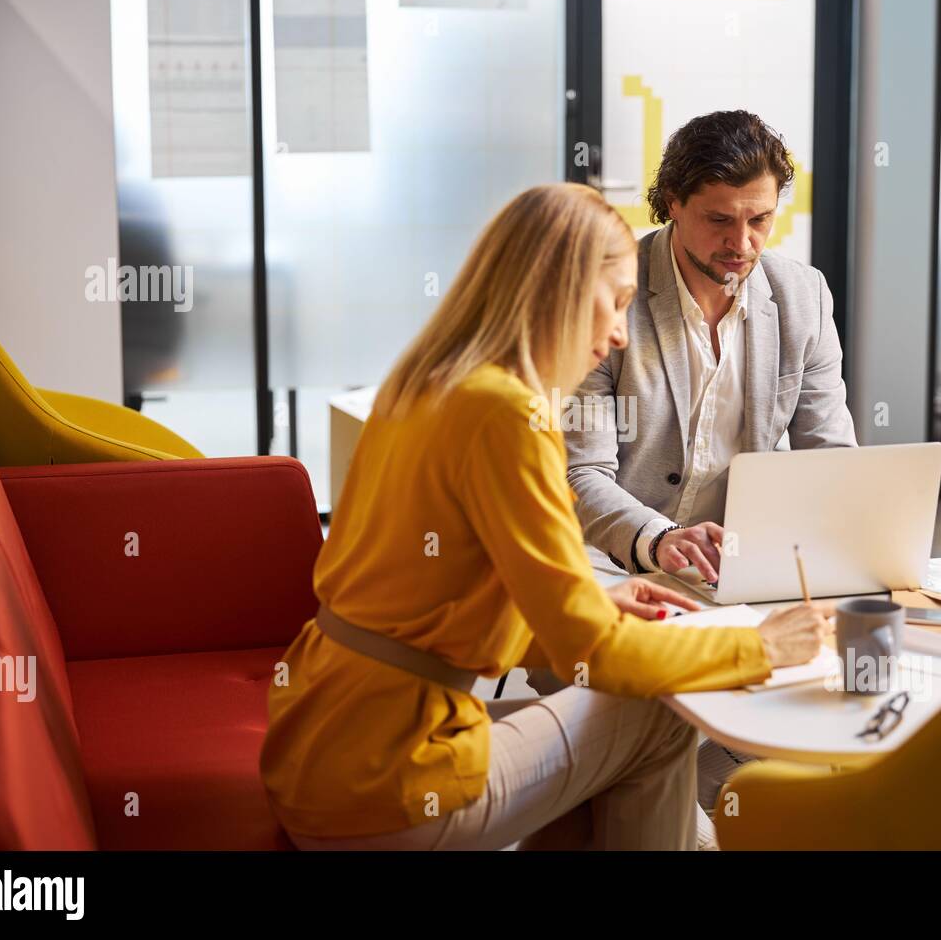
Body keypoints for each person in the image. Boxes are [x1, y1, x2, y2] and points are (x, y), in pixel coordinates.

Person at [258, 182, 830, 851]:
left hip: (319, 744)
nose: (619, 331)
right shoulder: (507, 414)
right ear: (558, 286)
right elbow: (595, 657)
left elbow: (428, 606)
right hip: (389, 783)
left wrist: (596, 598)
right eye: (614, 302)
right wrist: (763, 647)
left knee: (599, 744)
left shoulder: (425, 384)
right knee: (657, 715)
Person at [565, 110, 857, 582]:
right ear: (672, 202)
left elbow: (829, 459)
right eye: (719, 219)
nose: (741, 243)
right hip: (609, 561)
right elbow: (579, 475)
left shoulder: (803, 296)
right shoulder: (605, 293)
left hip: (736, 567)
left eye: (760, 219)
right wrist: (660, 540)